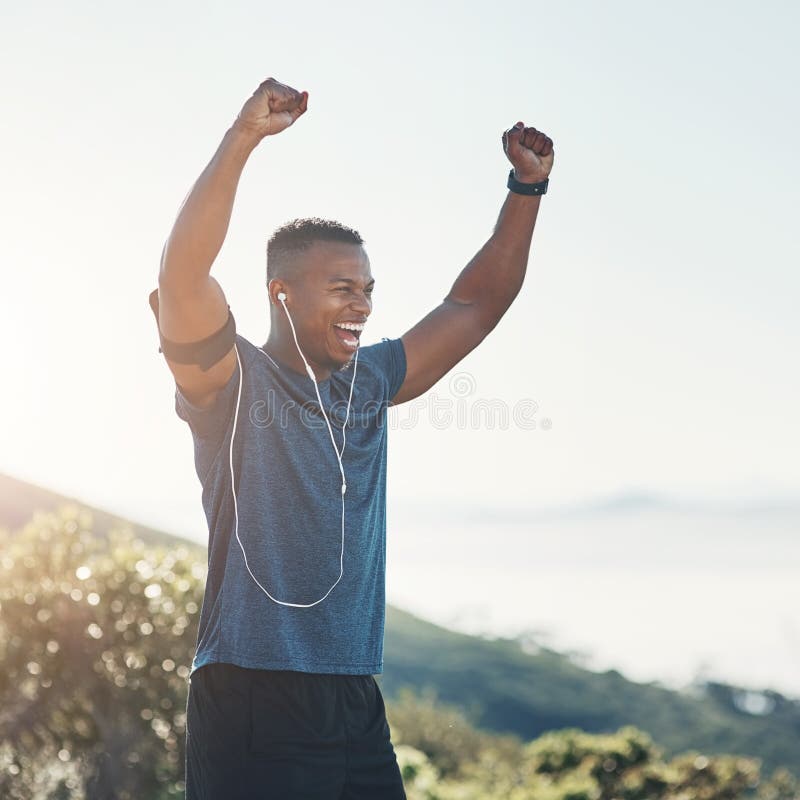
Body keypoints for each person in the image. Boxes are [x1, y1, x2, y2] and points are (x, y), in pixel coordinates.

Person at [149, 76, 554, 800]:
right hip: (251, 694)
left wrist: (526, 190)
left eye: (367, 289)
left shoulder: (370, 381)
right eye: (342, 288)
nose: (362, 304)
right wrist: (243, 138)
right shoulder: (231, 383)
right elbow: (184, 277)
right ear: (282, 292)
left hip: (354, 698)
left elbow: (474, 305)